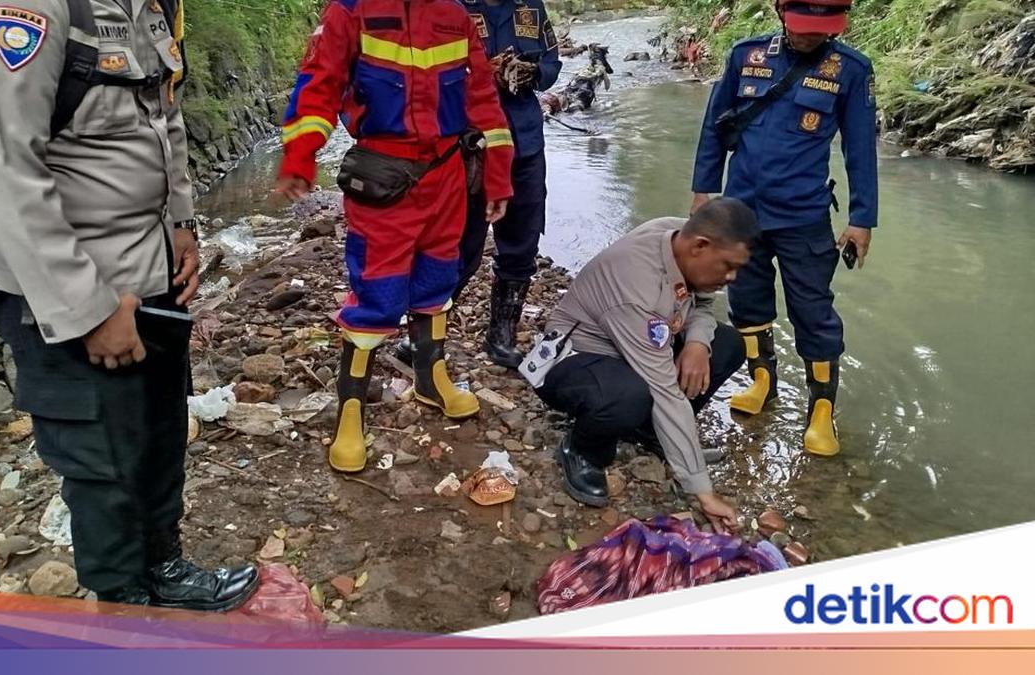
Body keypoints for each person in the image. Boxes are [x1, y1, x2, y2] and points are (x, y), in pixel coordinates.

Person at [0, 0, 258, 609]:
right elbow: (6, 166)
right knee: (103, 467)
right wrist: (88, 309)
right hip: (67, 291)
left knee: (159, 437)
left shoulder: (144, 5)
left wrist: (182, 223)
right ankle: (122, 606)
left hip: (150, 276)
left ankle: (163, 571)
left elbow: (162, 115)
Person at [275, 0, 515, 473]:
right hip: (383, 178)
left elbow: (483, 100)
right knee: (378, 295)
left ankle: (431, 379)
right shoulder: (350, 12)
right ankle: (350, 412)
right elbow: (320, 83)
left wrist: (498, 177)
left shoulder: (454, 16)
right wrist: (300, 155)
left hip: (447, 176)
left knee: (437, 281)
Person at [690, 0, 878, 457]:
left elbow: (859, 147)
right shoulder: (745, 56)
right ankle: (762, 381)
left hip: (803, 216)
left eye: (821, 30)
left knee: (813, 313)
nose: (811, 36)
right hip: (742, 210)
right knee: (747, 301)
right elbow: (715, 127)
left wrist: (861, 218)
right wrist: (703, 191)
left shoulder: (850, 69)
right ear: (779, 12)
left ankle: (820, 411)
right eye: (802, 28)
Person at [536, 199, 760, 532]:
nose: (732, 277)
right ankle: (583, 451)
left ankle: (650, 432)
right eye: (728, 266)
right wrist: (703, 491)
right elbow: (664, 390)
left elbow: (700, 301)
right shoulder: (636, 284)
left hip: (631, 348)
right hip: (571, 358)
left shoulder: (676, 234)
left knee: (726, 344)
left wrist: (697, 343)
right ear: (700, 246)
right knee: (629, 395)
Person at [431, 0, 561, 369]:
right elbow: (433, 75)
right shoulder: (451, 8)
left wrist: (531, 74)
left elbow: (552, 64)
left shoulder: (530, 8)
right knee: (460, 246)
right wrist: (482, 73)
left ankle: (501, 335)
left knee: (522, 242)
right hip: (471, 147)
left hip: (525, 144)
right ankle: (426, 332)